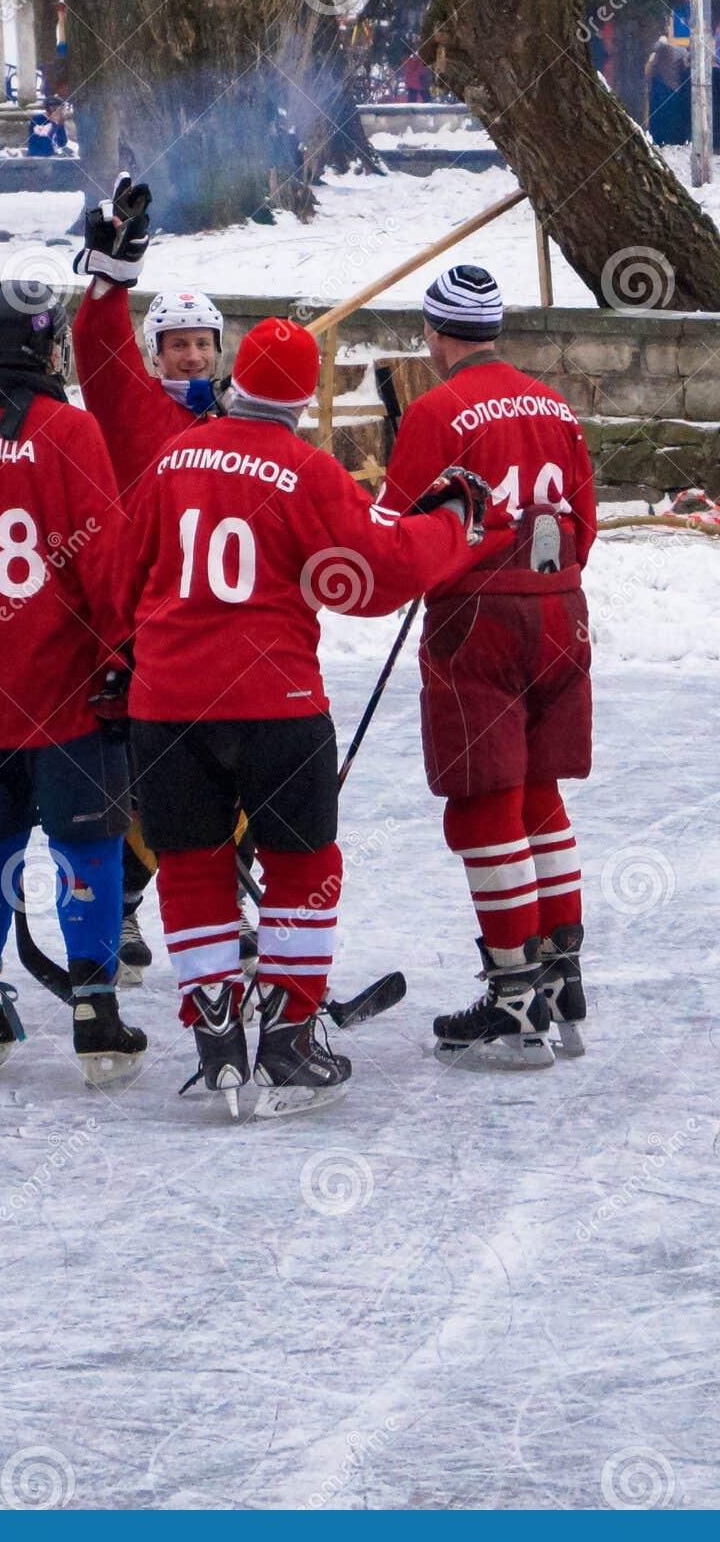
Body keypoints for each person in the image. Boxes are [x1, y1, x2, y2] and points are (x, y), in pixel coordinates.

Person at [124, 316, 487, 1117]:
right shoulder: (306, 468)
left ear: (234, 378)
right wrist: (453, 521)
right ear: (303, 395)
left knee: (189, 865)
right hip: (275, 704)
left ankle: (217, 1038)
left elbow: (126, 572)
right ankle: (288, 1039)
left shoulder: (171, 459)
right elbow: (379, 573)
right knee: (303, 863)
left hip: (167, 702)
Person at [0, 280, 147, 1083]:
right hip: (57, 683)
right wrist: (128, 648)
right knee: (87, 842)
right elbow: (105, 561)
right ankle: (96, 1012)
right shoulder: (71, 430)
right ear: (51, 348)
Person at [376, 264, 597, 1069]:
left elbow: (398, 526)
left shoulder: (437, 409)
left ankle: (514, 993)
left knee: (483, 802)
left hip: (479, 616)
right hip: (562, 609)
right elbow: (586, 518)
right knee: (542, 793)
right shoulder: (554, 404)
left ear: (437, 334)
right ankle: (562, 973)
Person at [72, 173, 256, 983]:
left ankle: (225, 890)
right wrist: (110, 280)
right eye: (177, 343)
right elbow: (96, 348)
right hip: (147, 626)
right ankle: (125, 901)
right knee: (149, 777)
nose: (191, 354)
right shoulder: (131, 409)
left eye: (203, 344)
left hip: (231, 631)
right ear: (155, 352)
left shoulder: (239, 427)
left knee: (242, 765)